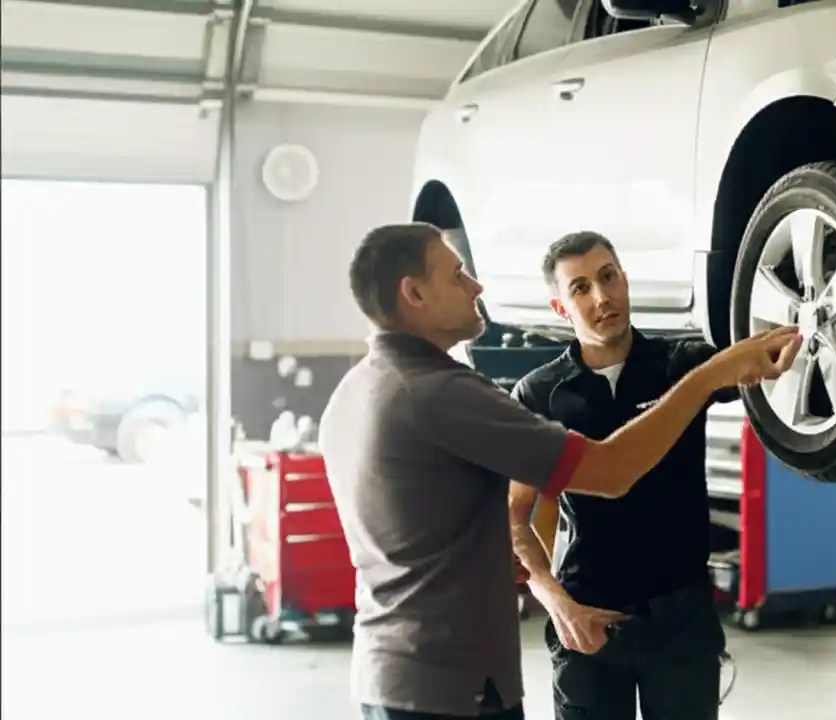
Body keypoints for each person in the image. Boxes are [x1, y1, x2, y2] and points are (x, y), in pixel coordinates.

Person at [317, 222, 801, 720]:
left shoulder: (353, 395)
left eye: (610, 276)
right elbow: (606, 472)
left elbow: (770, 363)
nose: (477, 287)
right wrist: (558, 603)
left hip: (670, 619)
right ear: (413, 293)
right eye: (459, 274)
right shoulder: (462, 394)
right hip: (479, 667)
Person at [507, 231, 743, 720]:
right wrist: (556, 604)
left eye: (609, 277)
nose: (602, 297)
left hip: (681, 614)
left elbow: (758, 364)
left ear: (625, 280)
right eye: (580, 288)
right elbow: (512, 516)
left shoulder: (682, 365)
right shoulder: (540, 394)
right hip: (588, 618)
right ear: (560, 308)